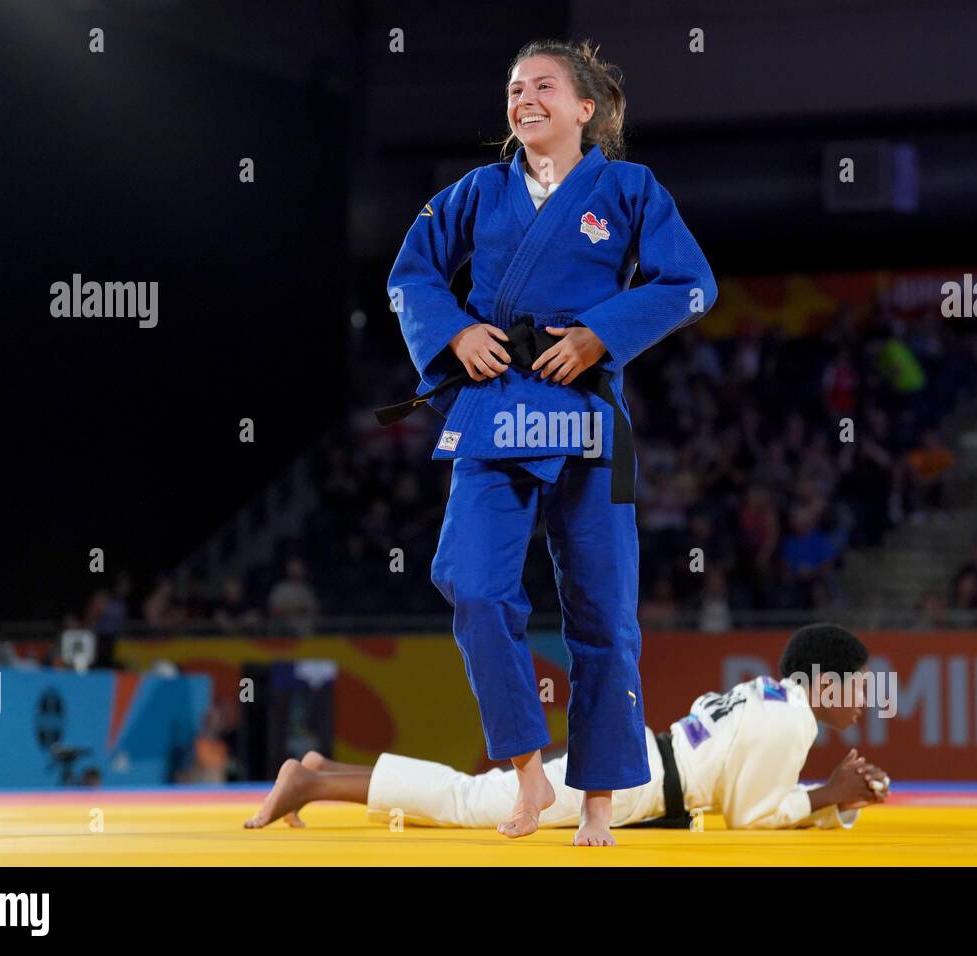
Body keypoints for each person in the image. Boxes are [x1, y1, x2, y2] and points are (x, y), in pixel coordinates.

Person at [384, 39, 717, 846]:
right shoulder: (478, 191)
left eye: (541, 87)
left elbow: (691, 284)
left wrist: (603, 335)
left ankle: (599, 794)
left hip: (590, 417)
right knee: (470, 581)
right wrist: (457, 330)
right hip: (496, 407)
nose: (523, 99)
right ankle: (528, 763)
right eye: (513, 89)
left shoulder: (629, 189)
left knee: (604, 610)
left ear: (584, 109)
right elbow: (411, 274)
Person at [244, 624, 889, 834]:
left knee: (478, 792)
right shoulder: (792, 721)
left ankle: (323, 773)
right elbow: (749, 816)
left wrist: (836, 796)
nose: (863, 699)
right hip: (632, 780)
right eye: (857, 684)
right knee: (471, 803)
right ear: (824, 681)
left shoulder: (768, 694)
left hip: (638, 760)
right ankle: (308, 782)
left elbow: (712, 734)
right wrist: (831, 794)